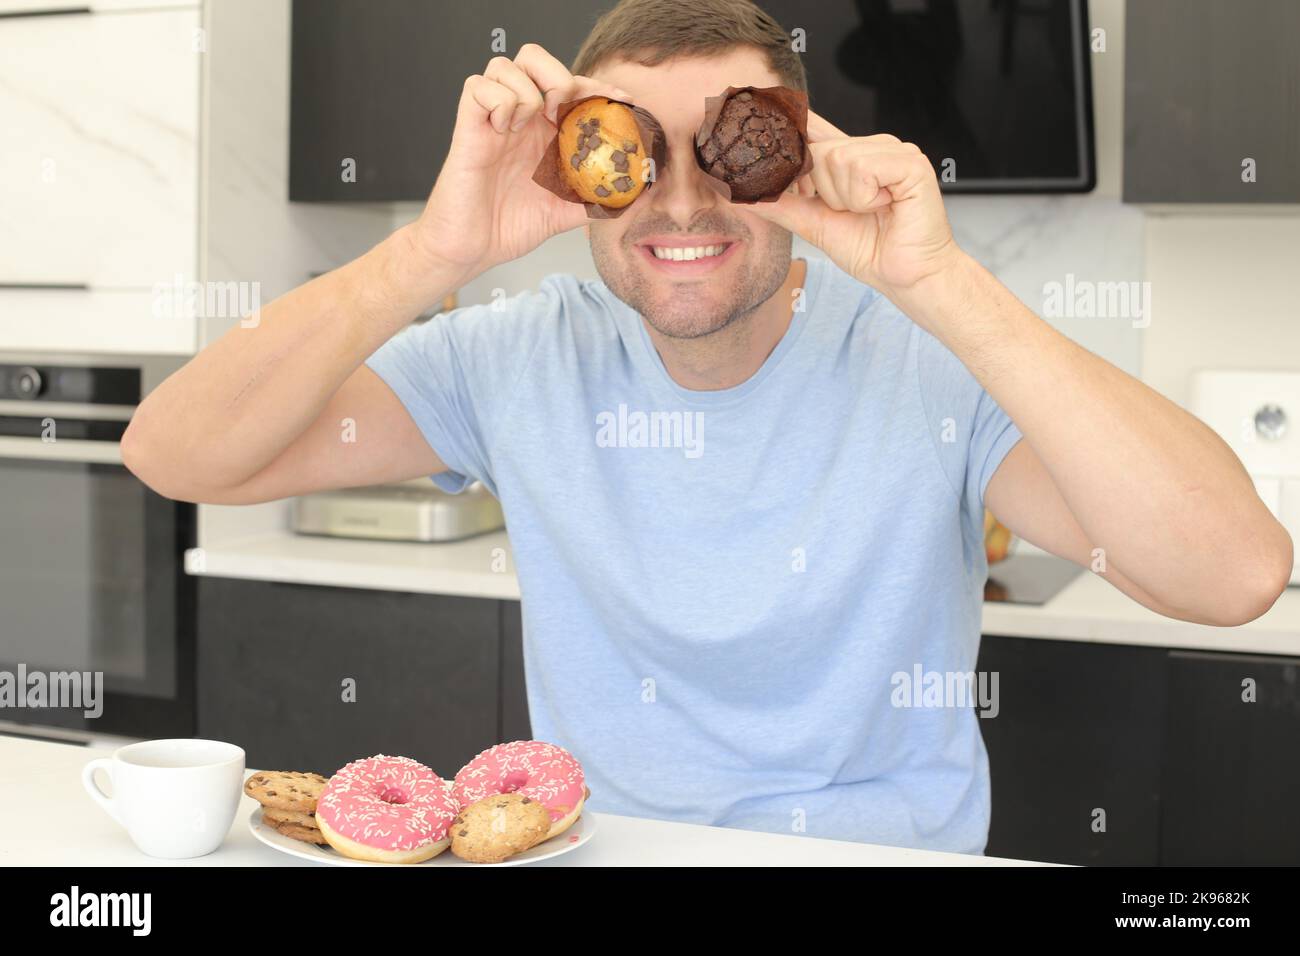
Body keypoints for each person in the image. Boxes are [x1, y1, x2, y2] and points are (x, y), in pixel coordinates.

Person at [122, 0, 1292, 853]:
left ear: (794, 149)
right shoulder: (515, 353)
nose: (680, 200)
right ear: (580, 171)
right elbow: (174, 452)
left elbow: (1235, 573)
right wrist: (432, 254)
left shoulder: (926, 353)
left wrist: (937, 282)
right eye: (632, 155)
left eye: (726, 148)